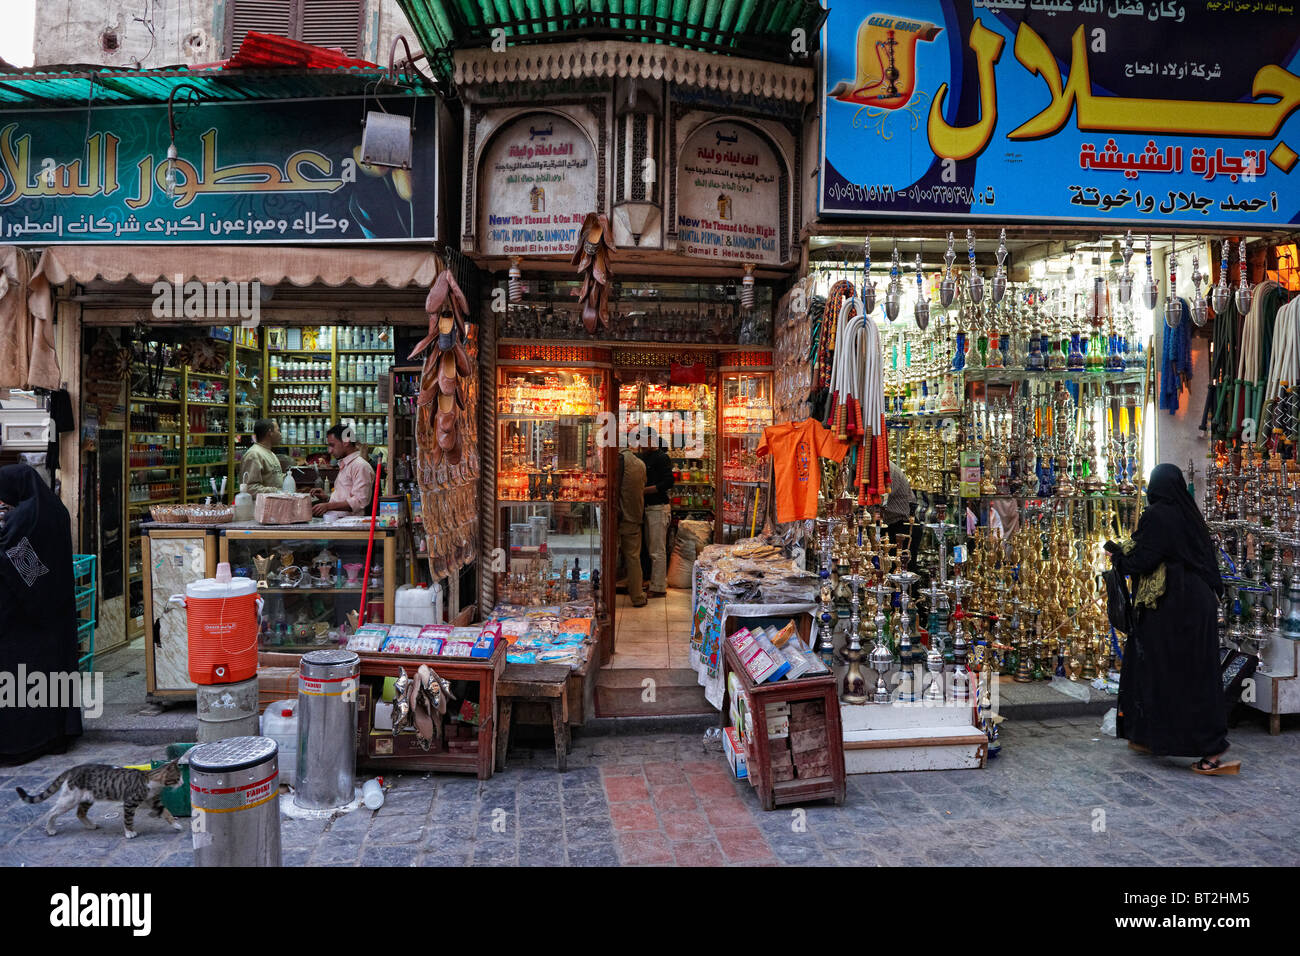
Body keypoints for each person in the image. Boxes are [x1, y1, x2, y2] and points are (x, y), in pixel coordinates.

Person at [1105, 463, 1235, 774]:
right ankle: (1156, 737)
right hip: (1196, 604)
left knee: (1169, 672)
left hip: (1175, 608)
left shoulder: (1158, 516)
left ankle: (1211, 748)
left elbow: (1145, 558)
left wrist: (1119, 556)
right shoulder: (1187, 514)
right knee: (1195, 672)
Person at [0, 464, 83, 765]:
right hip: (56, 607)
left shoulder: (24, 516)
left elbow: (20, 564)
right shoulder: (55, 509)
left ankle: (28, 742)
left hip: (26, 618)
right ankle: (58, 733)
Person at [639, 427, 674, 598]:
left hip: (658, 508)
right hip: (648, 508)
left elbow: (668, 482)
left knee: (657, 550)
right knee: (650, 548)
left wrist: (645, 491)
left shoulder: (662, 457)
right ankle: (652, 581)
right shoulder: (644, 457)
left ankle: (659, 587)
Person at [312, 422, 375, 517]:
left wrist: (328, 506)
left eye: (332, 445)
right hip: (337, 521)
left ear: (346, 442)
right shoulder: (346, 464)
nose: (330, 451)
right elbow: (346, 496)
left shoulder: (360, 466)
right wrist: (327, 498)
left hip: (351, 525)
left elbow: (359, 501)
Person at [618, 440, 647, 608]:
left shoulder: (616, 462)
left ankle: (605, 593)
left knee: (610, 557)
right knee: (633, 557)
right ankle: (637, 596)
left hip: (616, 517)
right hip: (634, 517)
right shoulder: (640, 464)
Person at [881, 460, 919, 567]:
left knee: (902, 569)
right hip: (890, 525)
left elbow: (881, 500)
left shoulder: (886, 469)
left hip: (903, 526)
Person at [240, 419, 286, 496]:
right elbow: (250, 488)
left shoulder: (270, 453)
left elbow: (275, 477)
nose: (280, 434)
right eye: (278, 431)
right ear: (270, 432)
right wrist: (278, 491)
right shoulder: (254, 454)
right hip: (259, 506)